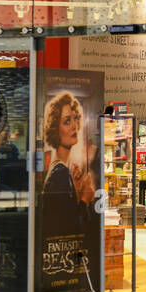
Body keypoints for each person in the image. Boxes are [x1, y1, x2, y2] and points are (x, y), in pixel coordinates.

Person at [42, 92, 96, 237]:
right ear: (54, 128)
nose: (74, 126)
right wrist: (85, 197)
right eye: (67, 121)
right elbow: (72, 227)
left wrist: (76, 191)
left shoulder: (60, 169)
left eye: (75, 118)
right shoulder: (60, 173)